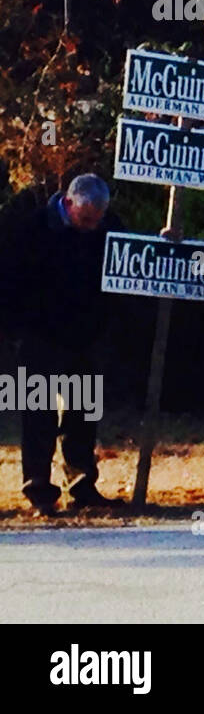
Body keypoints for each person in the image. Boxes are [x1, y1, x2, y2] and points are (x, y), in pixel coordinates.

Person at [0, 174, 122, 515]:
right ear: (68, 203)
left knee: (82, 414)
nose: (90, 228)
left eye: (95, 222)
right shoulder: (32, 229)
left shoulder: (108, 226)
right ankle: (39, 491)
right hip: (39, 334)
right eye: (85, 220)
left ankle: (81, 487)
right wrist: (12, 328)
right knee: (38, 415)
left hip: (86, 335)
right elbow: (8, 279)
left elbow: (127, 263)